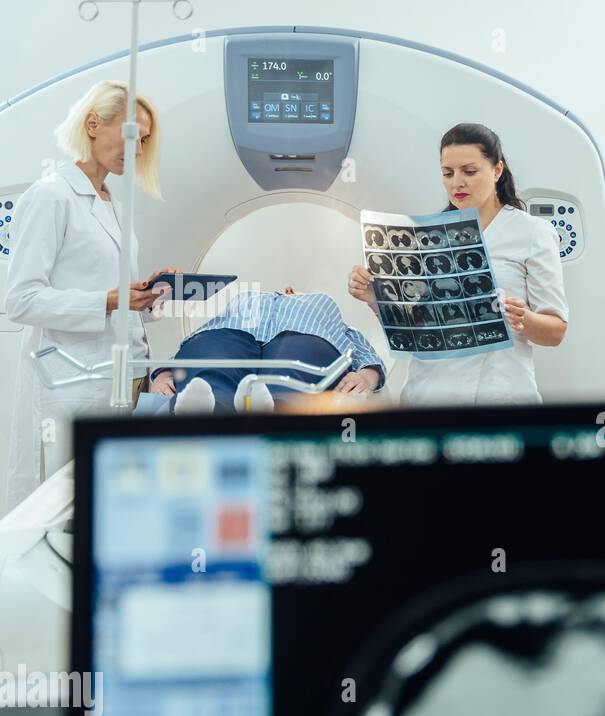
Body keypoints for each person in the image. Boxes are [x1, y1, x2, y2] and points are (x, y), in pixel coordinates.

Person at [4, 81, 176, 509]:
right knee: (64, 516)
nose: (137, 151)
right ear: (93, 124)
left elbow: (114, 299)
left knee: (110, 512)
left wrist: (147, 299)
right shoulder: (50, 196)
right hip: (70, 384)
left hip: (125, 379)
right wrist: (110, 301)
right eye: (133, 135)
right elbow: (21, 300)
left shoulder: (114, 206)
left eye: (145, 141)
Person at [348, 123, 568, 406]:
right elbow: (415, 327)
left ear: (497, 170)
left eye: (469, 171)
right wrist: (376, 298)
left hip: (499, 395)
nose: (456, 183)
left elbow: (555, 331)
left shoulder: (532, 232)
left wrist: (521, 317)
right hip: (427, 393)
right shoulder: (426, 236)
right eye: (448, 173)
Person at [148, 286, 385, 414]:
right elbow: (201, 336)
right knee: (214, 354)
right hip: (230, 332)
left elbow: (360, 347)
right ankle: (206, 411)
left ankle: (275, 409)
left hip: (304, 337)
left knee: (290, 368)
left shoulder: (320, 303)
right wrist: (164, 372)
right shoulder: (247, 297)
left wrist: (366, 375)